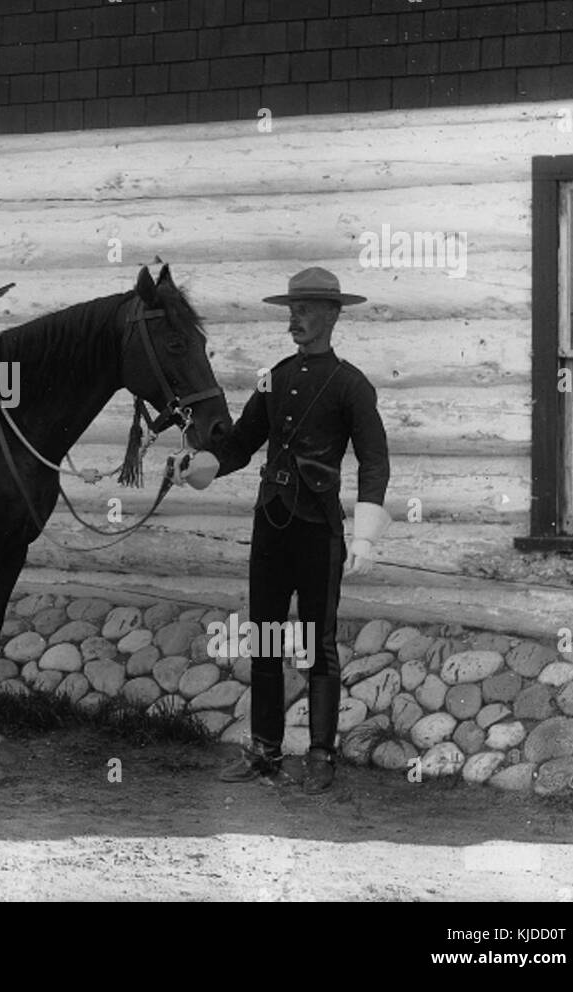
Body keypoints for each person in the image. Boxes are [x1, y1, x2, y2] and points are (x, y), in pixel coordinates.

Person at [173, 267, 391, 794]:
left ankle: (320, 755)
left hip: (319, 532)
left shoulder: (351, 385)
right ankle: (265, 750)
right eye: (292, 308)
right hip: (271, 527)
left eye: (307, 308)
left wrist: (363, 536)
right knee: (265, 640)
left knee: (318, 647)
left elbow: (374, 462)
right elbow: (242, 443)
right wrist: (202, 464)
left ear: (333, 315)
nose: (295, 317)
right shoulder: (273, 377)